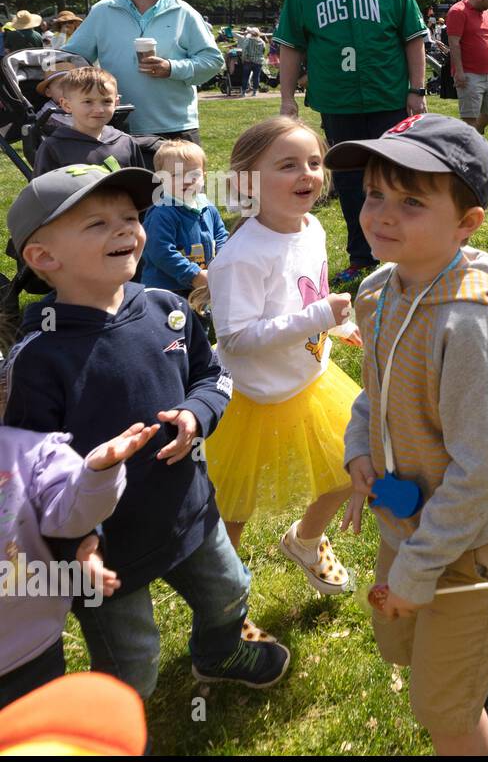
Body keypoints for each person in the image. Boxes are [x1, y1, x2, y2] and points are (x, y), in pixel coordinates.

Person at [3, 164, 288, 698]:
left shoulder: (169, 309)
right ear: (43, 258)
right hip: (105, 545)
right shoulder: (40, 357)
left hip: (188, 508)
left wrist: (198, 412)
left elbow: (213, 375)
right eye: (96, 223)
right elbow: (30, 470)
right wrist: (79, 544)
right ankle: (125, 730)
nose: (126, 230)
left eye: (131, 217)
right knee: (133, 661)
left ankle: (219, 650)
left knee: (229, 591)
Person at [326, 113, 488, 755]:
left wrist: (420, 566)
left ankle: (481, 676)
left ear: (466, 223)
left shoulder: (472, 325)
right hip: (405, 517)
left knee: (445, 708)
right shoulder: (379, 289)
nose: (382, 215)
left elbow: (480, 472)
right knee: (410, 642)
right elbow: (375, 391)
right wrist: (359, 453)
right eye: (374, 193)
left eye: (411, 201)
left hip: (466, 537)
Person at [204, 118, 362, 604]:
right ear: (246, 181)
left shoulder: (311, 226)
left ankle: (306, 539)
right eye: (288, 165)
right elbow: (235, 338)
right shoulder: (241, 256)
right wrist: (318, 315)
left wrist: (333, 326)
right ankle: (224, 603)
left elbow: (299, 297)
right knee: (233, 506)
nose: (308, 174)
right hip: (253, 395)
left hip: (310, 378)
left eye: (314, 163)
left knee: (352, 463)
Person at [273, 0, 428, 290]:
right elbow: (291, 44)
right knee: (349, 182)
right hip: (338, 101)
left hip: (388, 96)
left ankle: (401, 251)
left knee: (393, 178)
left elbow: (413, 36)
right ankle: (362, 256)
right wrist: (287, 98)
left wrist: (417, 89)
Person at [0, 421, 154, 710]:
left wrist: (97, 472)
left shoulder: (29, 452)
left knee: (39, 737)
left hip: (32, 650)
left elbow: (69, 513)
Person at [64, 0, 222, 143]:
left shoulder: (183, 12)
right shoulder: (102, 11)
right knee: (128, 177)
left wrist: (172, 68)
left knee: (178, 176)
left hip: (176, 128)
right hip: (117, 127)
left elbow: (213, 61)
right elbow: (72, 58)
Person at [140, 139, 227, 300]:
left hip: (203, 282)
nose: (187, 180)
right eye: (177, 175)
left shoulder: (206, 206)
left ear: (204, 176)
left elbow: (221, 235)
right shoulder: (162, 211)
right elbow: (160, 251)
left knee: (201, 322)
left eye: (194, 174)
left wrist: (222, 262)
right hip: (168, 289)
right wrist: (193, 275)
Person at [33, 67, 147, 175]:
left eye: (106, 101)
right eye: (88, 102)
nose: (99, 110)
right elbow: (41, 192)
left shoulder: (125, 142)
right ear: (67, 105)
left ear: (116, 103)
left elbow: (139, 187)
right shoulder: (54, 148)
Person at [445, 0, 488, 134]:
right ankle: (470, 150)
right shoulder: (458, 11)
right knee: (470, 118)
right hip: (469, 74)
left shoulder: (486, 13)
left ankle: (473, 136)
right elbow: (454, 43)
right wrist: (459, 72)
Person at [238, 27, 267, 95]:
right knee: (256, 77)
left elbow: (245, 50)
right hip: (258, 61)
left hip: (248, 61)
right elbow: (263, 50)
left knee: (245, 76)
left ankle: (244, 92)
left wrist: (243, 59)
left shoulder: (248, 40)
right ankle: (254, 91)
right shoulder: (262, 41)